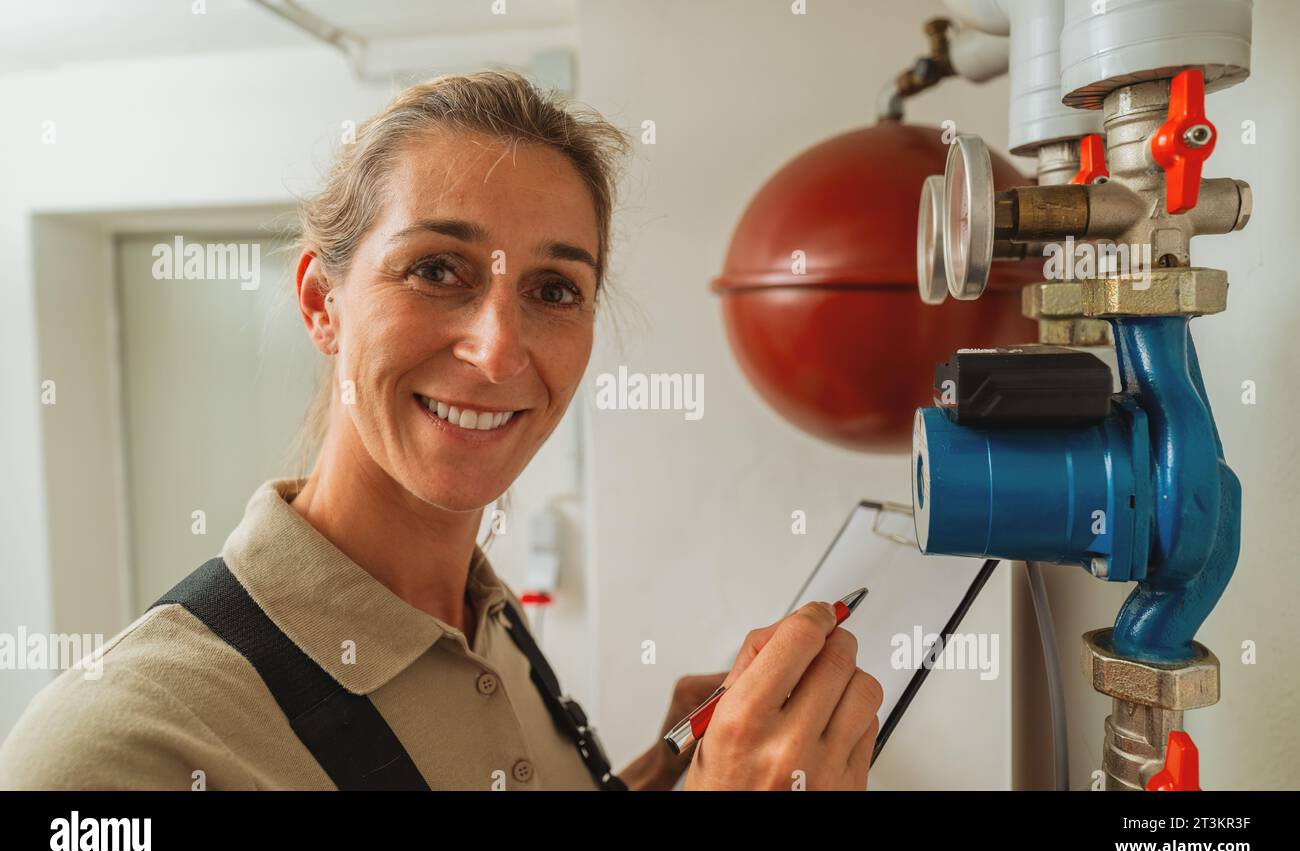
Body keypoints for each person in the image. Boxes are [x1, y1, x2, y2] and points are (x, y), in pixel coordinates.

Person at [0, 71, 882, 791]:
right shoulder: (119, 749)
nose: (499, 351)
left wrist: (670, 770)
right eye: (436, 269)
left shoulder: (487, 628)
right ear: (321, 302)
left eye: (553, 290)